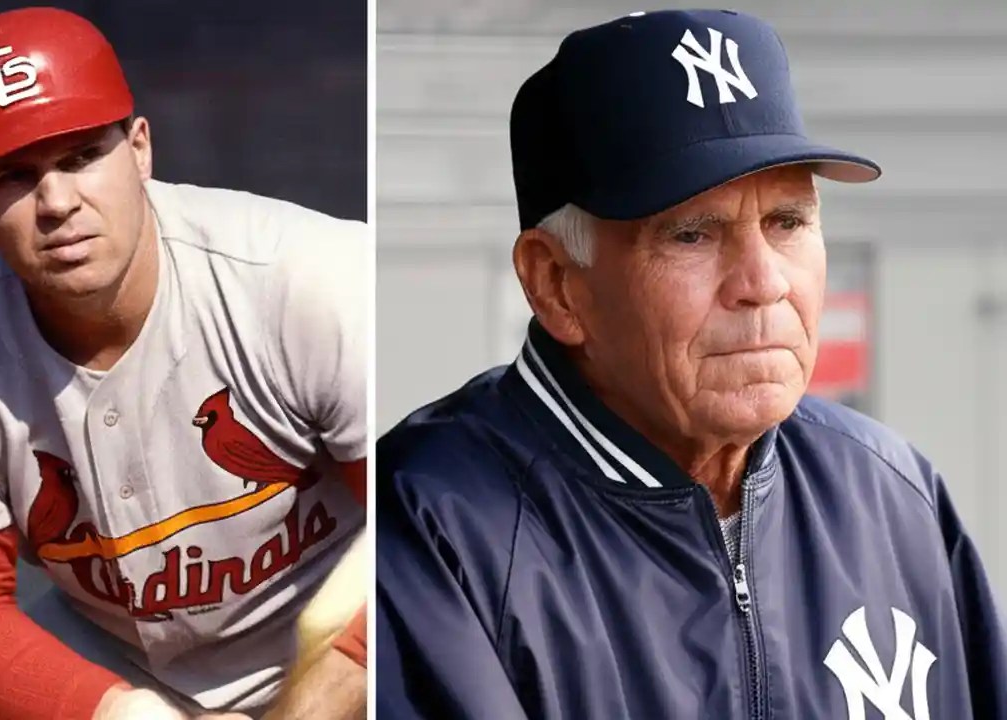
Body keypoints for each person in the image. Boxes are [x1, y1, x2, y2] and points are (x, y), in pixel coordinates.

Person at [376, 9, 1007, 719]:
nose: (763, 282)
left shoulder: (894, 496)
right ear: (556, 283)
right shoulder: (430, 523)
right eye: (691, 234)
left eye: (788, 222)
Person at [0, 7, 367, 720]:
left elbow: (436, 533)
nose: (57, 202)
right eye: (13, 177)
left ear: (140, 149)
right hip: (121, 663)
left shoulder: (306, 278)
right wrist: (120, 713)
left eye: (81, 156)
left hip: (335, 631)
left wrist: (323, 699)